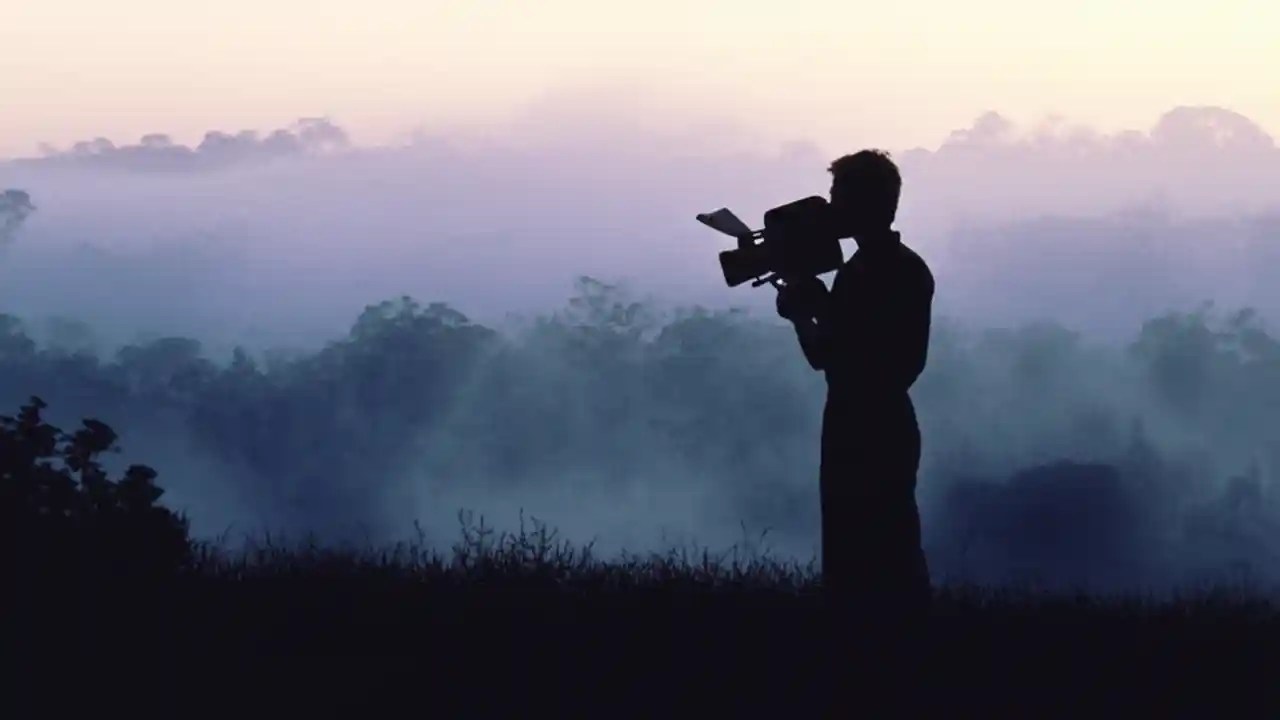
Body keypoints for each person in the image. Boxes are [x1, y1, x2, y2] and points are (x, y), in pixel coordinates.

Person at [775, 149, 934, 699]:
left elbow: (830, 356)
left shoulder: (865, 274)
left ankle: (865, 677)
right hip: (887, 418)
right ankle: (903, 670)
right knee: (893, 549)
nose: (832, 207)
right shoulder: (905, 268)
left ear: (863, 204)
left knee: (855, 555)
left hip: (857, 421)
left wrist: (802, 313)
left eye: (841, 196)